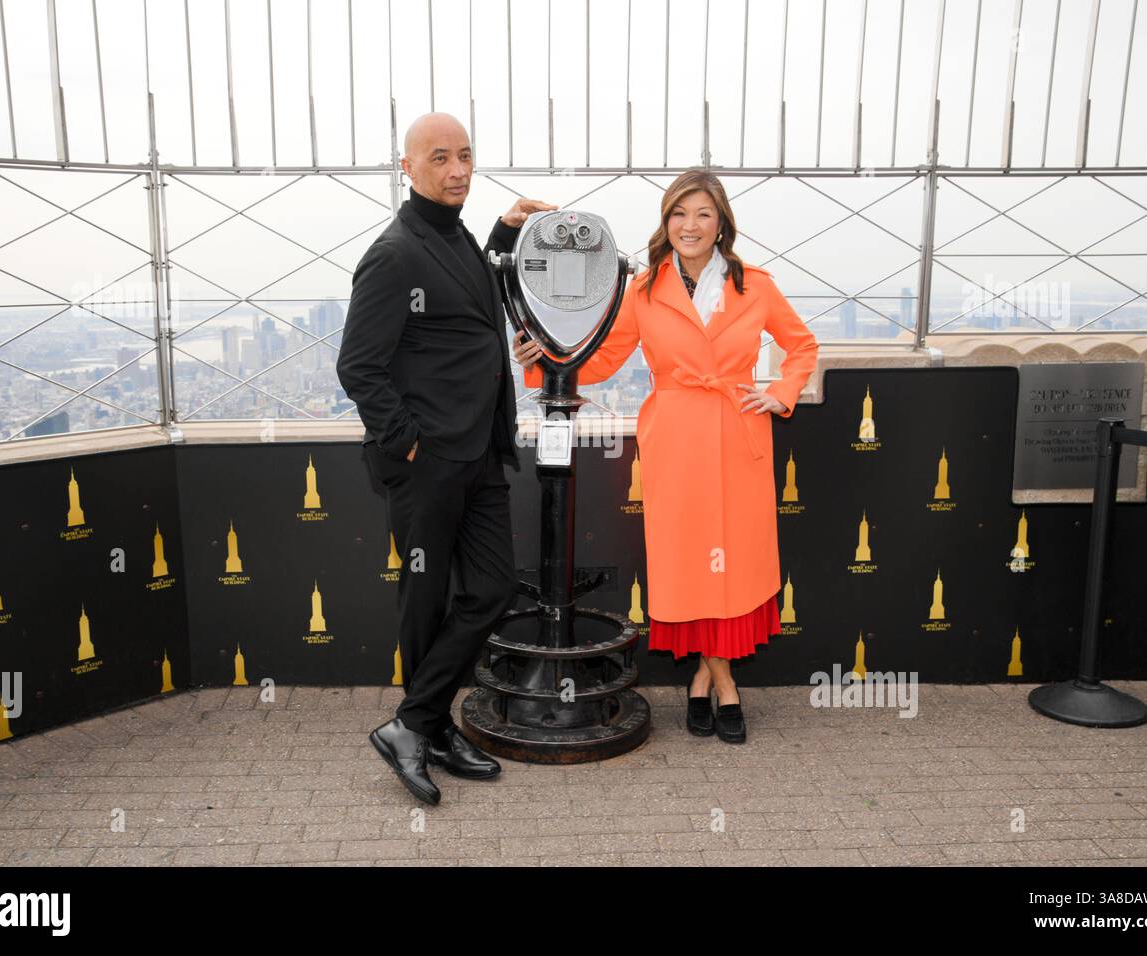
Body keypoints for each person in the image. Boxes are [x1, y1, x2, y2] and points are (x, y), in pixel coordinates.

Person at [516, 169, 818, 744]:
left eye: (703, 214)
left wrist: (777, 393)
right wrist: (543, 358)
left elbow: (801, 346)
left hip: (738, 430)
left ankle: (710, 681)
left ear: (721, 221)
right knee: (690, 560)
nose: (690, 225)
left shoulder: (756, 284)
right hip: (676, 436)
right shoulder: (645, 289)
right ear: (666, 221)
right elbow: (603, 360)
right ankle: (720, 681)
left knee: (733, 563)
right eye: (679, 214)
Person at [338, 112, 556, 805]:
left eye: (465, 156)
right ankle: (425, 728)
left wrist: (505, 234)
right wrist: (409, 441)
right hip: (428, 460)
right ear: (407, 167)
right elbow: (358, 366)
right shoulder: (394, 252)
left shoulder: (457, 237)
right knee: (426, 601)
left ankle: (416, 724)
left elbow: (472, 291)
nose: (457, 169)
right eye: (439, 158)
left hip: (480, 453)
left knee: (489, 589)